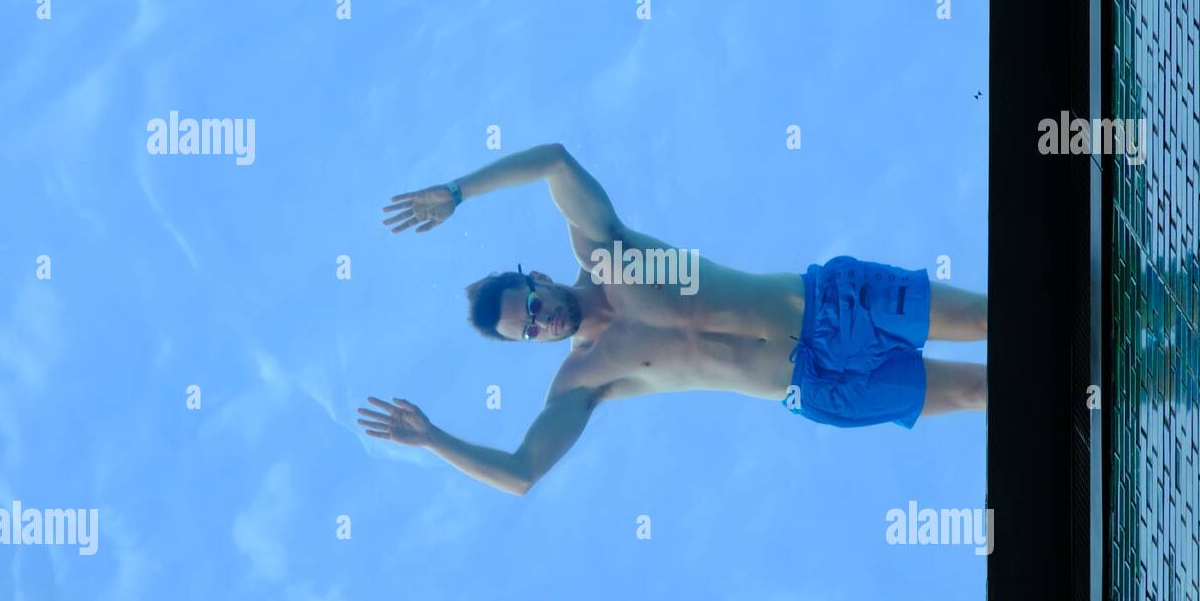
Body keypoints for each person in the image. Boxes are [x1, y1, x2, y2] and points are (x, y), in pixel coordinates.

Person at [359, 143, 987, 495]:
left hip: (832, 303)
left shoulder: (607, 252)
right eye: (527, 329)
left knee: (991, 323)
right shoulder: (582, 381)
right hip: (817, 384)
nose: (540, 319)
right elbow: (522, 473)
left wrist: (458, 191)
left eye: (529, 303)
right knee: (980, 391)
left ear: (539, 279)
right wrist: (434, 438)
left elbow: (553, 162)